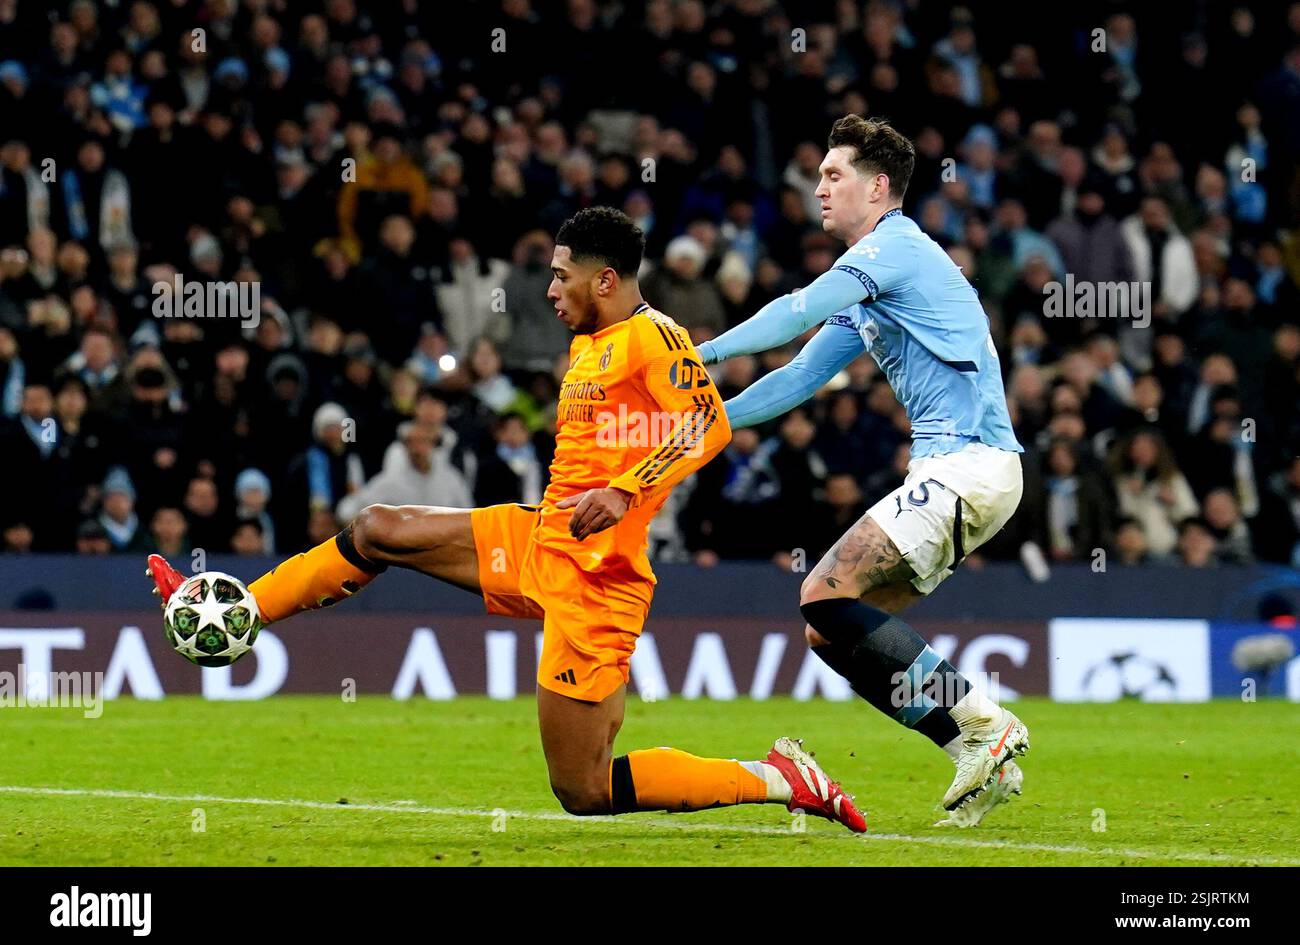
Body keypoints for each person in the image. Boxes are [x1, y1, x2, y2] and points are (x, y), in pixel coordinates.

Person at [147, 207, 865, 833]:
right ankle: (242, 612)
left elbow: (707, 425)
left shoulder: (656, 339)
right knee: (379, 529)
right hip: (540, 540)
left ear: (606, 279)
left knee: (582, 789)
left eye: (562, 277)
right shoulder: (591, 342)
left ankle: (778, 777)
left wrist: (624, 488)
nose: (550, 290)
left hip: (597, 581)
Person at [695, 116, 1029, 827]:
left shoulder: (896, 251)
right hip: (963, 473)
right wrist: (707, 419)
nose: (818, 189)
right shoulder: (877, 284)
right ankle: (973, 749)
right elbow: (798, 376)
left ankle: (982, 717)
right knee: (830, 630)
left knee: (823, 590)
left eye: (833, 175)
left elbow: (793, 311)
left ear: (878, 188)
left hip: (970, 463)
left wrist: (696, 357)